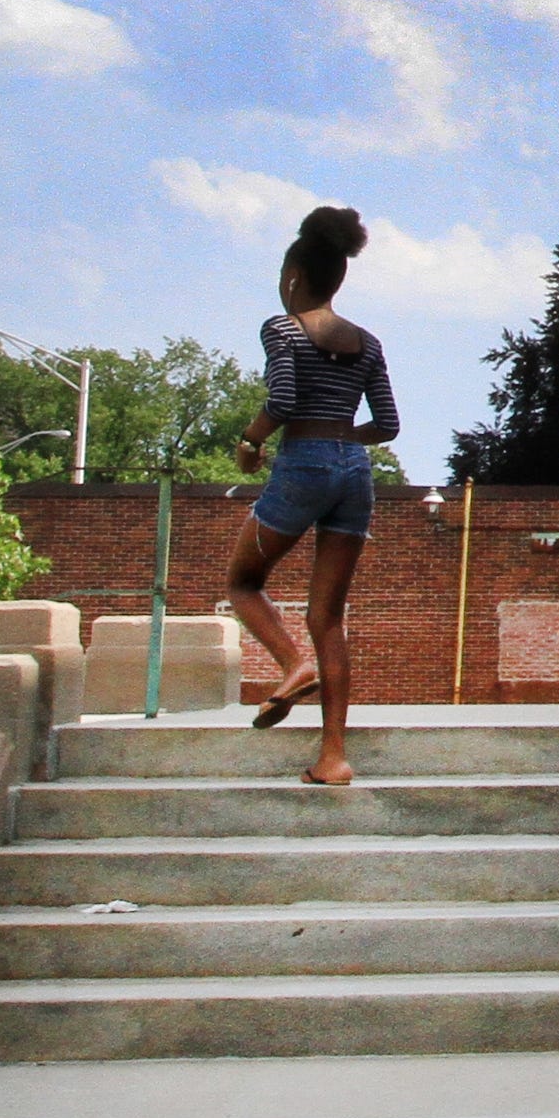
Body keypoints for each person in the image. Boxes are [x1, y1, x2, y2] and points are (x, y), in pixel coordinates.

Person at [233, 204, 396, 790]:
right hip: (356, 473)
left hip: (303, 463)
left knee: (243, 582)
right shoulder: (368, 343)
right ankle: (333, 758)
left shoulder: (282, 329)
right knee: (327, 617)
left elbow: (281, 399)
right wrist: (342, 438)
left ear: (293, 278)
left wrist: (250, 442)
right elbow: (388, 424)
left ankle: (292, 663)